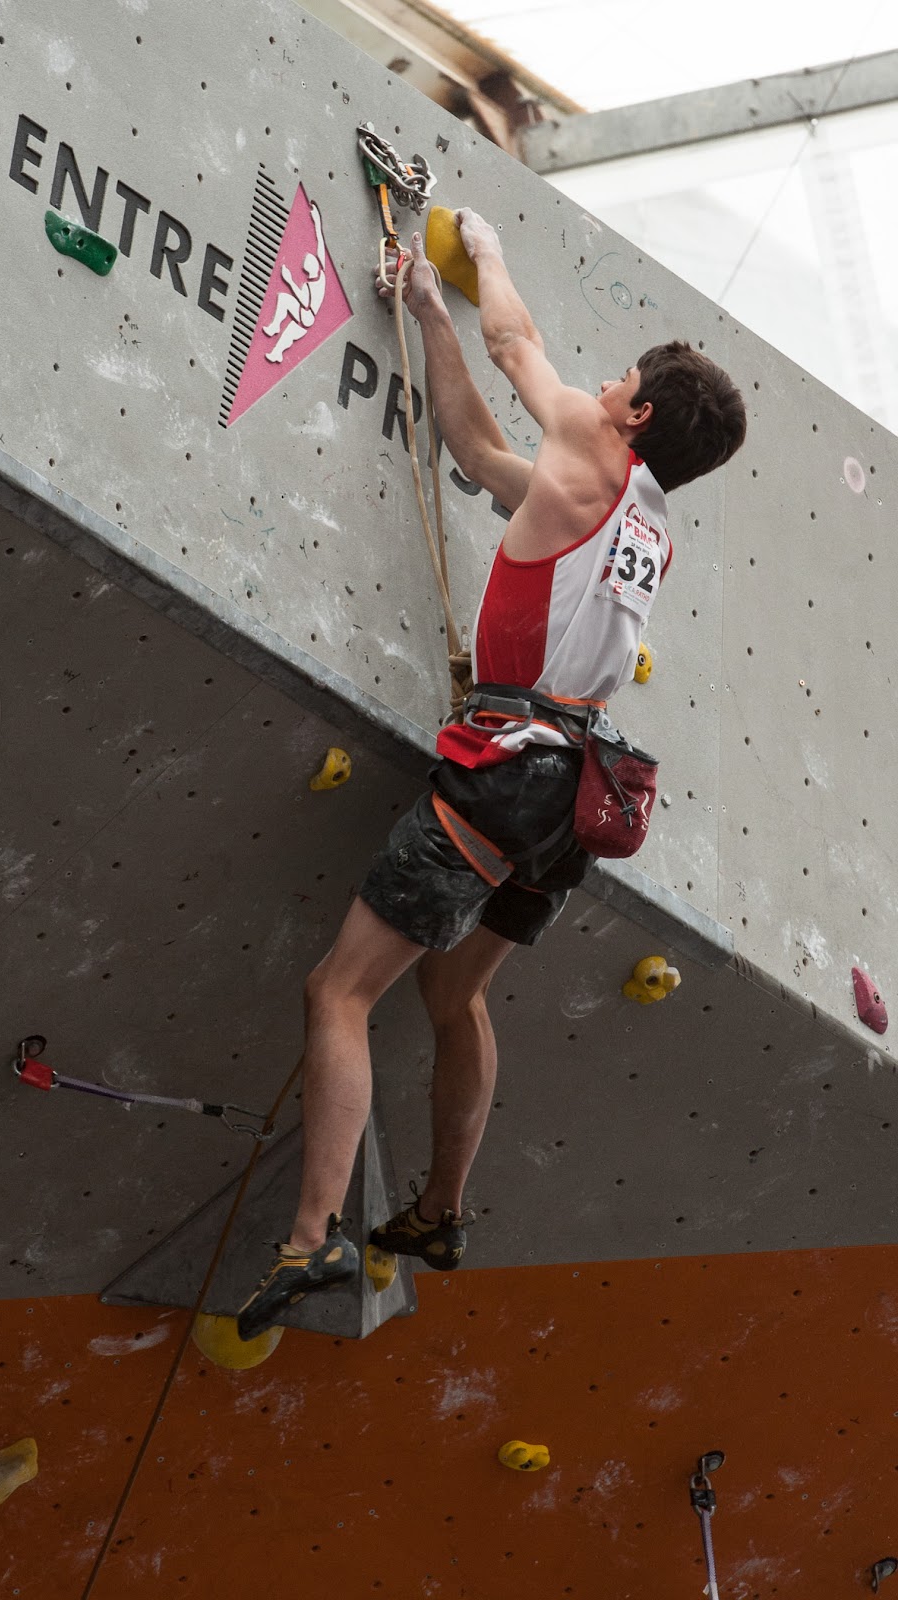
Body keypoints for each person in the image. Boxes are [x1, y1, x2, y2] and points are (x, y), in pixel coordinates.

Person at [236, 208, 746, 1340]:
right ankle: (438, 1212)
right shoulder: (639, 521)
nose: (600, 386)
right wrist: (425, 318)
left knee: (339, 992)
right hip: (576, 798)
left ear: (637, 414)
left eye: (617, 380)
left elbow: (516, 346)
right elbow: (473, 452)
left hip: (505, 772)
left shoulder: (594, 450)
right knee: (451, 990)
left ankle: (310, 1237)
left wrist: (481, 257)